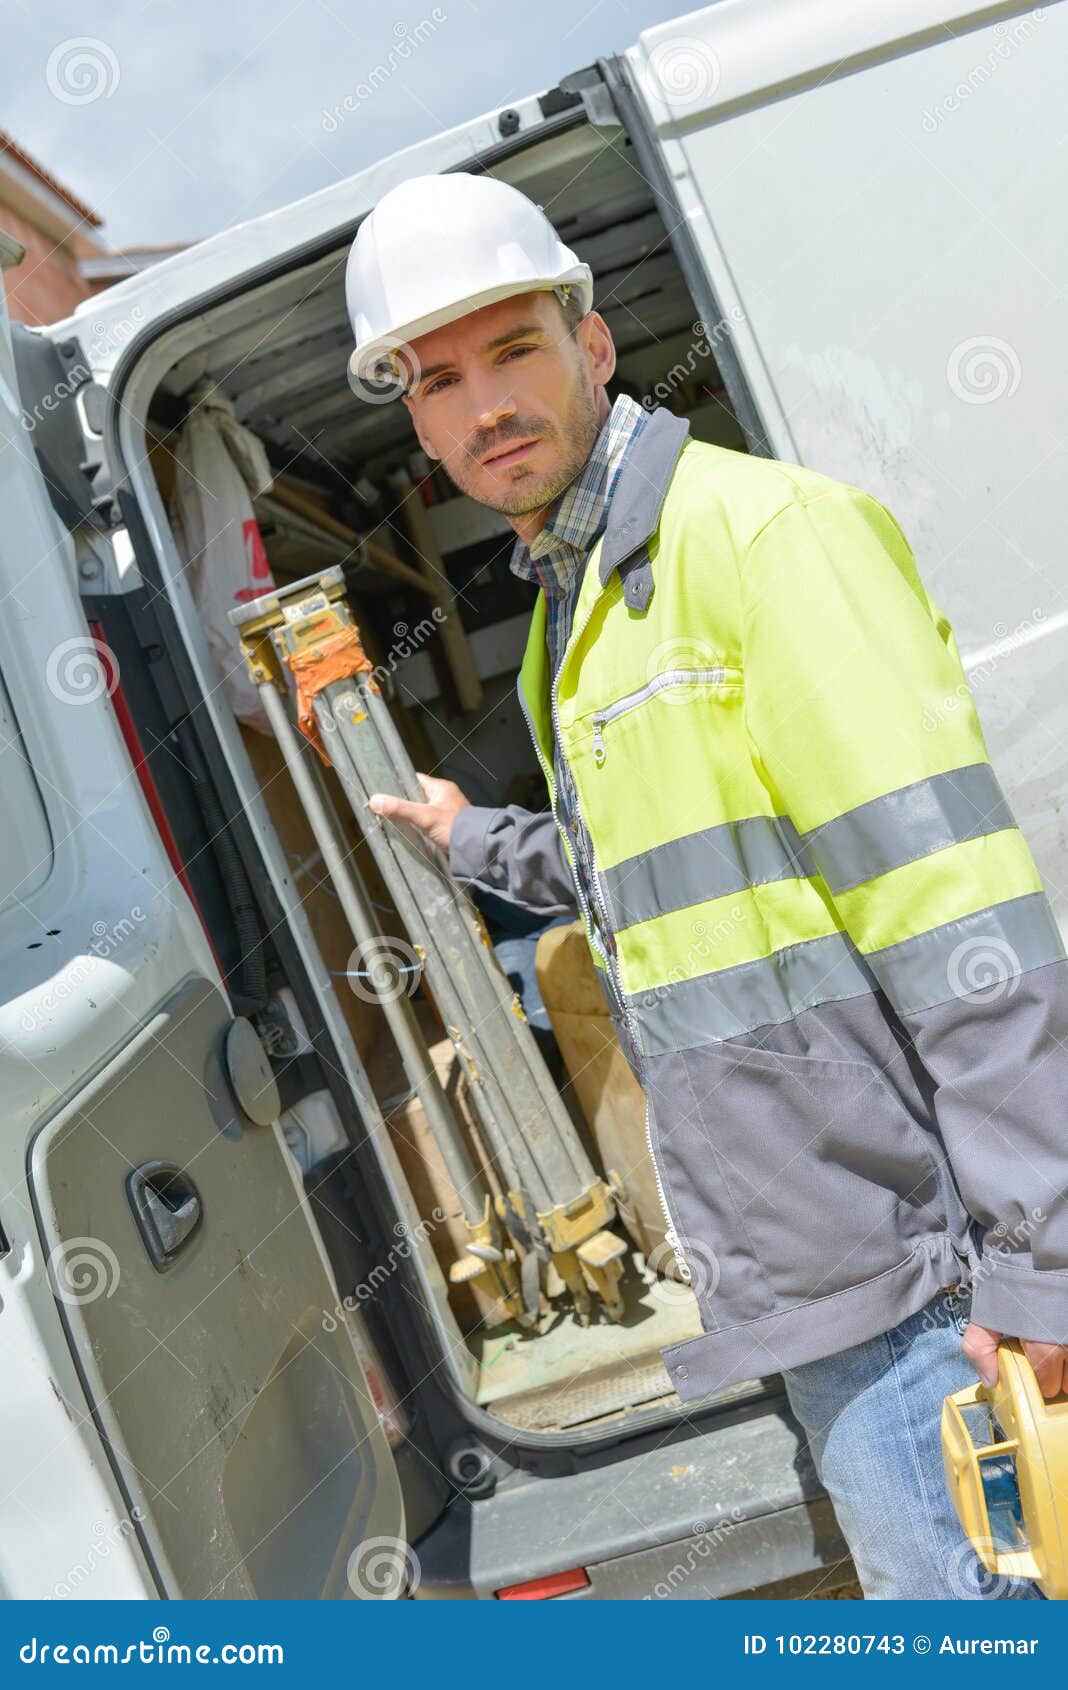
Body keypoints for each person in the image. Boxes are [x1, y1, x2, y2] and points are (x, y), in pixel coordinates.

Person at [344, 171, 1067, 1598]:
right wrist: (468, 834)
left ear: (594, 346)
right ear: (417, 423)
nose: (484, 404)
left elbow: (956, 918)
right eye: (440, 379)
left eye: (515, 352)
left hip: (910, 1273)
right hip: (806, 1270)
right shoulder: (582, 612)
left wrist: (1043, 1255)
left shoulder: (760, 541)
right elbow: (646, 872)